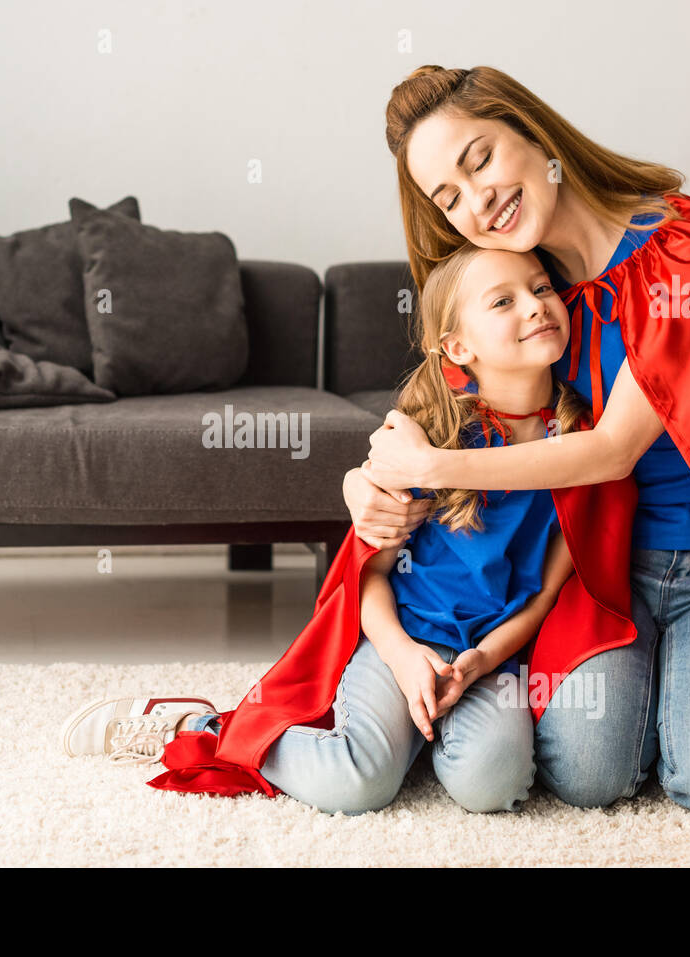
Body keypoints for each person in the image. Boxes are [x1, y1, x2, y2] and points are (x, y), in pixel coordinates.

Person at [343, 64, 690, 818]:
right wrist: (365, 483)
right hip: (600, 567)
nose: (477, 200)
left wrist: (431, 465)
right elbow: (437, 404)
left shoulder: (687, 246)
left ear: (532, 130)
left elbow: (612, 450)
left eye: (479, 159)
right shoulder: (524, 276)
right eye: (448, 196)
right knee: (584, 776)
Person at [63, 243, 584, 814]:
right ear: (459, 346)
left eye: (540, 289)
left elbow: (544, 594)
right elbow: (369, 575)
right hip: (401, 636)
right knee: (357, 784)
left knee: (496, 785)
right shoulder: (426, 438)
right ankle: (203, 725)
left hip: (493, 658)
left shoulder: (580, 441)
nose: (534, 307)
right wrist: (406, 656)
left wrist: (480, 661)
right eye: (503, 301)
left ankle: (416, 740)